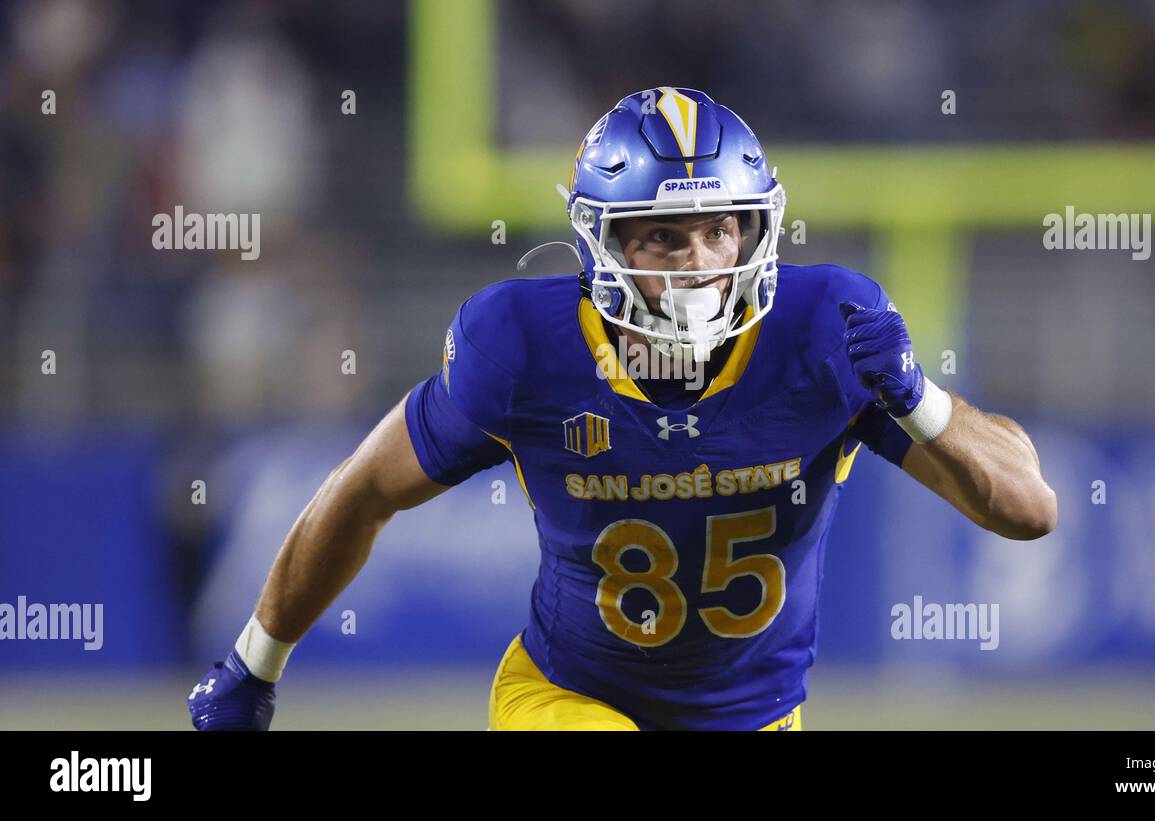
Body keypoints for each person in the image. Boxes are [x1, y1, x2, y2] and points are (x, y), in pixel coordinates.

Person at [187, 87, 1056, 731]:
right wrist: (254, 665)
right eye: (663, 237)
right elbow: (364, 488)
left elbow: (1029, 509)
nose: (702, 261)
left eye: (722, 229)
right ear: (601, 244)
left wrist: (920, 398)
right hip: (568, 698)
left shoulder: (824, 333)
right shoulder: (525, 346)